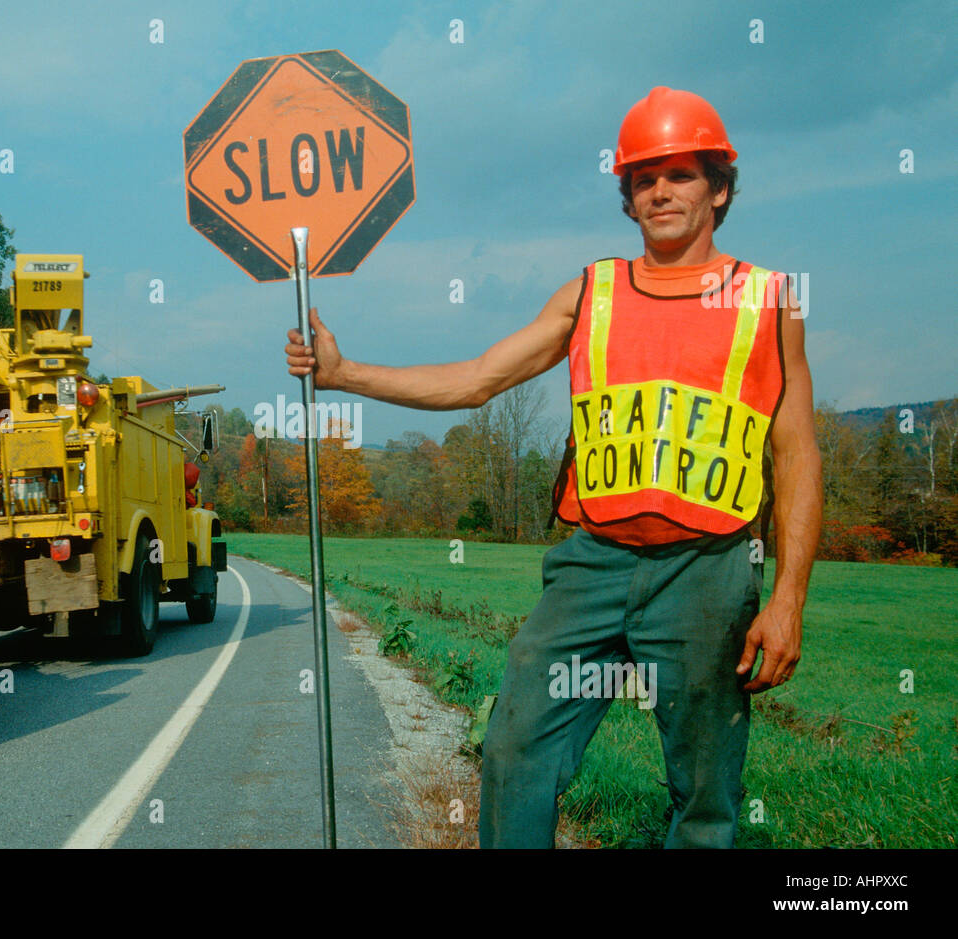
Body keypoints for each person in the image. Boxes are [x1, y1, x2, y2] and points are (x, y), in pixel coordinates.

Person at [284, 86, 822, 848]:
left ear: (721, 186)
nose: (661, 190)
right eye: (643, 178)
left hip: (708, 573)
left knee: (705, 796)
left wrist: (790, 598)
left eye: (682, 173)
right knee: (514, 750)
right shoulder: (592, 291)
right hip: (590, 569)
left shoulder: (771, 301)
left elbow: (796, 453)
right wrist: (343, 375)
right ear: (628, 197)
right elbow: (476, 378)